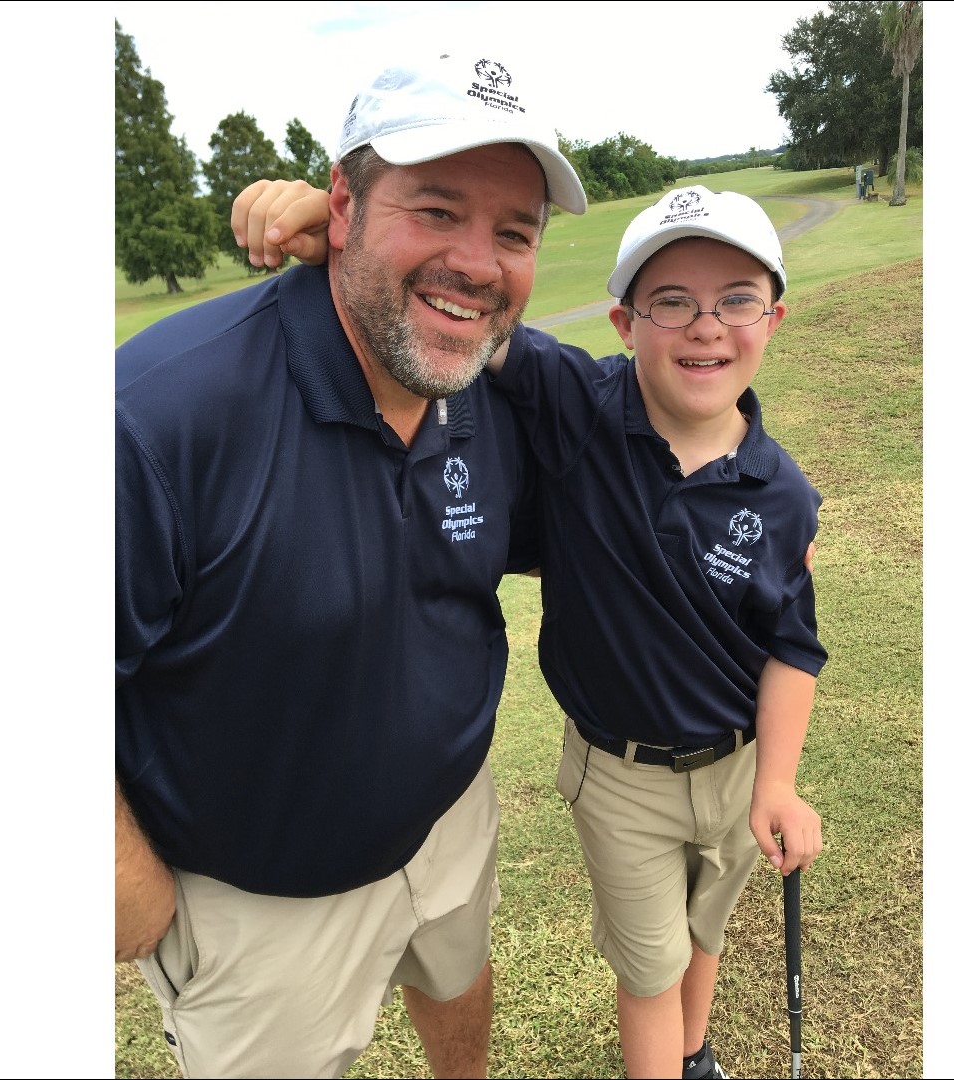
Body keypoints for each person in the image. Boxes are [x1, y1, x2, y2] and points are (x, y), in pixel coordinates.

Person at [234, 182, 826, 1079]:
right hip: (622, 776)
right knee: (650, 970)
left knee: (705, 932)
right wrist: (347, 238)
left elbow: (791, 645)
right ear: (625, 324)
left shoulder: (784, 495)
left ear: (772, 320)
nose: (706, 326)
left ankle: (695, 1055)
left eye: (736, 300)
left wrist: (776, 782)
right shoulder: (578, 399)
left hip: (739, 764)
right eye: (672, 301)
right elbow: (464, 317)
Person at [116, 49, 587, 1079]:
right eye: (436, 209)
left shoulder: (487, 389)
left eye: (514, 233)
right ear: (342, 204)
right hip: (261, 903)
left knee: (457, 981)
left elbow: (646, 430)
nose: (479, 262)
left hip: (448, 824)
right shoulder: (158, 414)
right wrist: (127, 887)